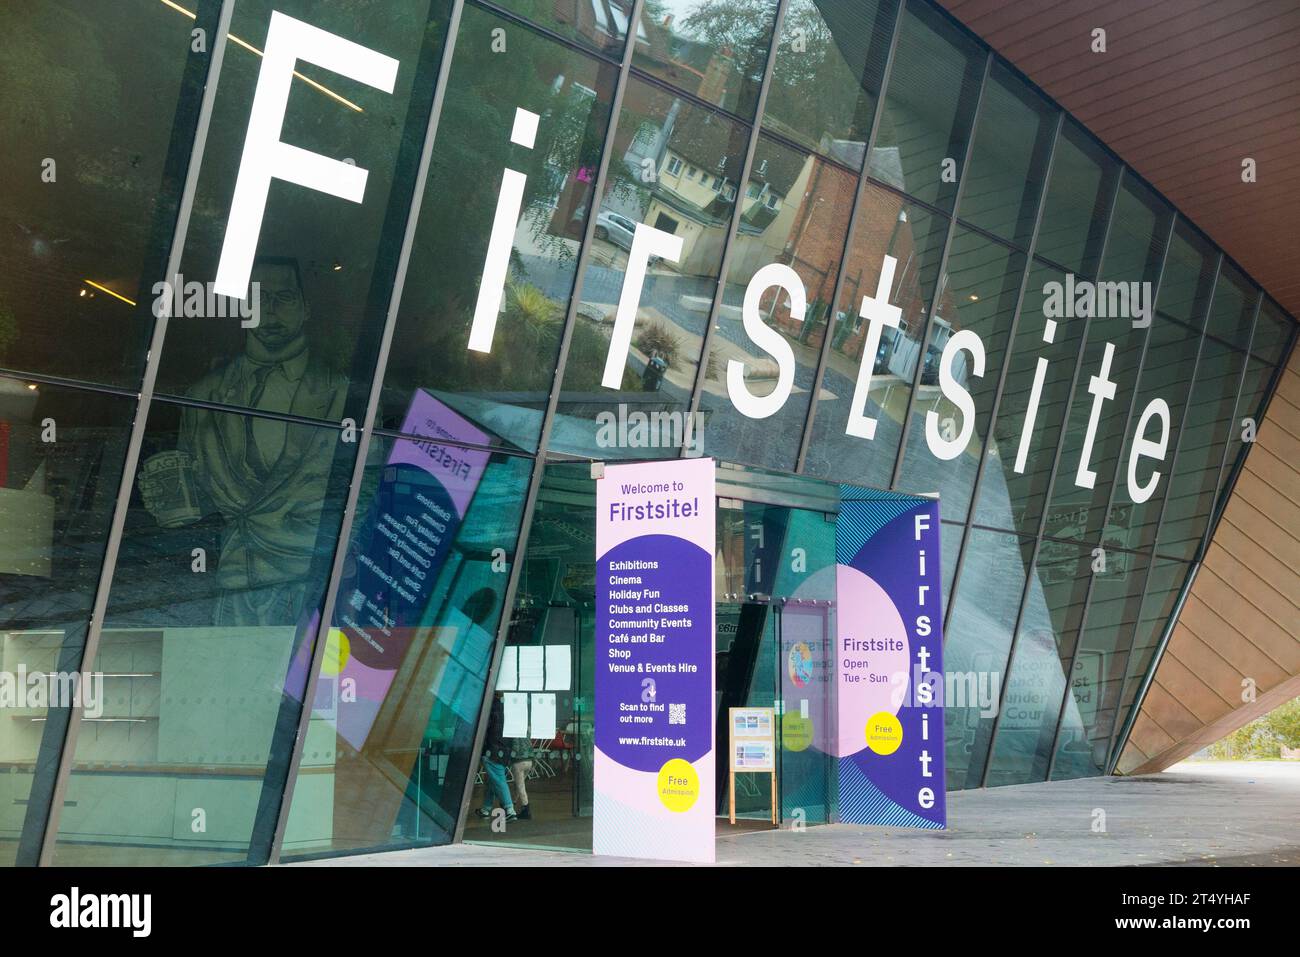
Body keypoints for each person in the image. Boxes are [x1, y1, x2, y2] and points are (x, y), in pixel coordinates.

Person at [137, 256, 346, 626]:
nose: (271, 310)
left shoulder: (342, 393)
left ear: (305, 309)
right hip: (236, 580)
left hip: (310, 582)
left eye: (284, 297)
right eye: (259, 298)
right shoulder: (203, 394)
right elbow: (196, 494)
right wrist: (169, 501)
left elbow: (362, 491)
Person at [475, 691, 517, 821]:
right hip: (505, 749)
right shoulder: (509, 707)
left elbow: (484, 727)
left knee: (498, 779)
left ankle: (510, 810)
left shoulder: (490, 706)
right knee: (491, 780)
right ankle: (486, 809)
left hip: (492, 749)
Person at [510, 736, 535, 820]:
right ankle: (513, 802)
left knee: (520, 786)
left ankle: (526, 808)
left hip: (518, 761)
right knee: (519, 784)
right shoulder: (524, 729)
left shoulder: (512, 732)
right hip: (529, 760)